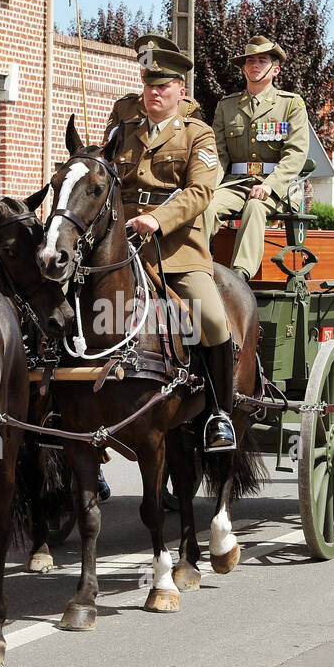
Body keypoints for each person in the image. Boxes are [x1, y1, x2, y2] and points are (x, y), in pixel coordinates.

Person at [113, 47, 235, 451]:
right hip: (121, 244)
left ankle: (219, 413)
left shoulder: (197, 133)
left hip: (176, 250)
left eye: (163, 86)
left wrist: (158, 219)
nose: (154, 94)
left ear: (180, 90)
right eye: (149, 86)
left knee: (214, 321)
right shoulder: (125, 131)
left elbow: (201, 190)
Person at [208, 36, 310, 282]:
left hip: (278, 187)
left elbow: (295, 153)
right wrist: (207, 187)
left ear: (274, 69)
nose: (254, 65)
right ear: (243, 68)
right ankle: (193, 266)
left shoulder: (290, 104)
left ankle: (239, 276)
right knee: (206, 206)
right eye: (250, 61)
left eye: (262, 60)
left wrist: (270, 185)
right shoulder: (227, 106)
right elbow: (219, 155)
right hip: (235, 182)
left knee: (255, 206)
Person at [103, 33, 201, 139]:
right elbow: (107, 147)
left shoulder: (186, 107)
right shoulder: (124, 106)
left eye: (156, 62)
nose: (147, 68)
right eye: (144, 63)